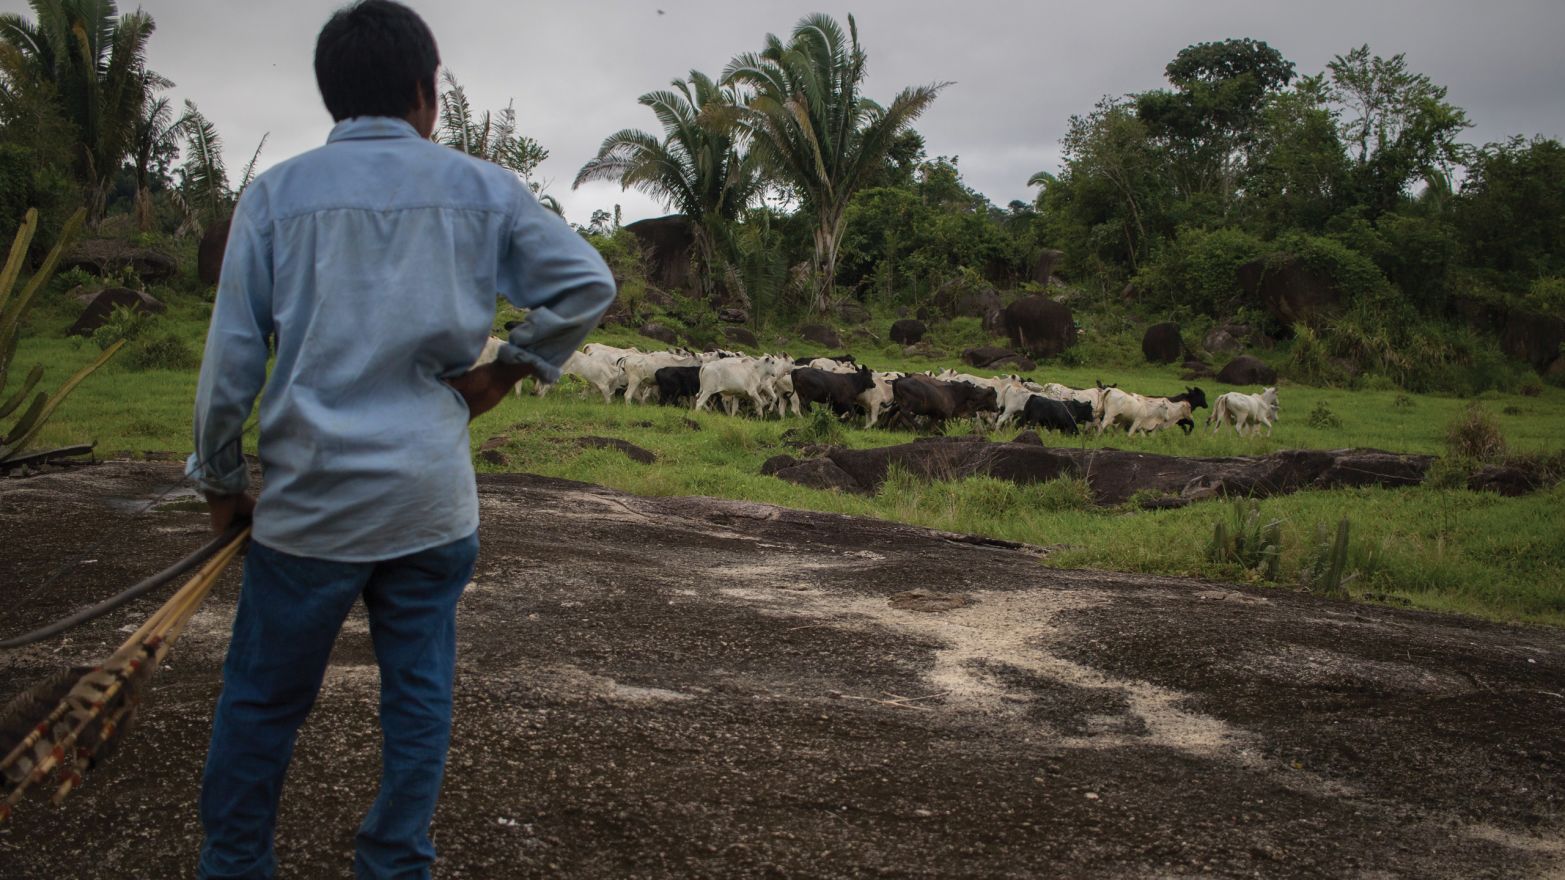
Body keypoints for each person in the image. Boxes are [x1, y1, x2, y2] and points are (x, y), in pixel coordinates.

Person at [185, 2, 615, 877]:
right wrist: (505, 370)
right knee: (417, 698)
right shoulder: (482, 188)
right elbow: (586, 282)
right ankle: (394, 861)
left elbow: (231, 362)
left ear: (330, 93)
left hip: (310, 512)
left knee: (263, 701)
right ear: (427, 91)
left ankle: (234, 864)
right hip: (429, 503)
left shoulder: (275, 196)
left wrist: (222, 483)